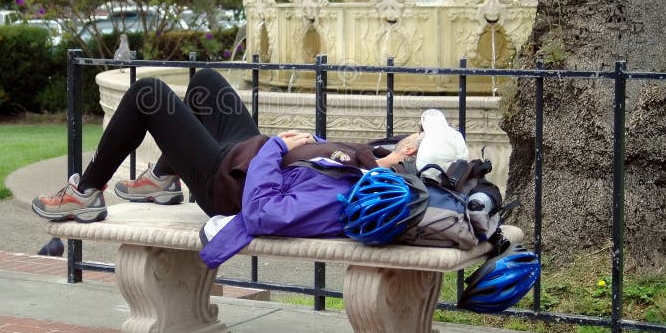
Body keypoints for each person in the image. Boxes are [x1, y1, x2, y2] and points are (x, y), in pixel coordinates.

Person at [32, 68, 417, 236]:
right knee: (206, 82)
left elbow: (269, 205)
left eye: (412, 154)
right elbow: (381, 149)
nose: (407, 150)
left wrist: (280, 147)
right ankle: (163, 180)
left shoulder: (373, 190)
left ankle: (84, 194)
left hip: (227, 182)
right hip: (248, 152)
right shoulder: (373, 163)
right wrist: (395, 145)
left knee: (147, 93)